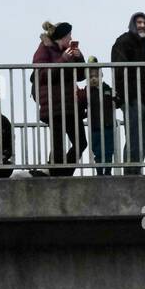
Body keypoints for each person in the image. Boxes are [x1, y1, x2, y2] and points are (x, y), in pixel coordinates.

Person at [31, 22, 86, 176]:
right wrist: (63, 60)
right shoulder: (44, 50)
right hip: (53, 106)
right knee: (58, 147)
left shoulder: (67, 52)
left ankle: (62, 173)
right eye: (69, 36)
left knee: (81, 143)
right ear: (61, 38)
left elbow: (81, 76)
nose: (71, 39)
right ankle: (57, 175)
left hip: (71, 105)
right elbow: (42, 75)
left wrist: (79, 58)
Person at [111, 12, 145, 174]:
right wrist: (125, 97)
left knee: (142, 139)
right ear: (132, 25)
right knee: (134, 138)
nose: (142, 25)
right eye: (139, 22)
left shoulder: (142, 47)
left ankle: (136, 171)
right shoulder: (124, 42)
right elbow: (120, 72)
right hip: (132, 99)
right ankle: (130, 174)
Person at [78, 58, 116, 176]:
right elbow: (82, 108)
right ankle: (99, 171)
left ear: (101, 76)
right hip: (94, 126)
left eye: (96, 76)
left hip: (108, 124)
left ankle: (108, 171)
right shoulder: (87, 92)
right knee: (97, 150)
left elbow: (117, 104)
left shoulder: (108, 90)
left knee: (109, 150)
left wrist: (116, 98)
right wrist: (81, 99)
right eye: (90, 77)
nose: (93, 79)